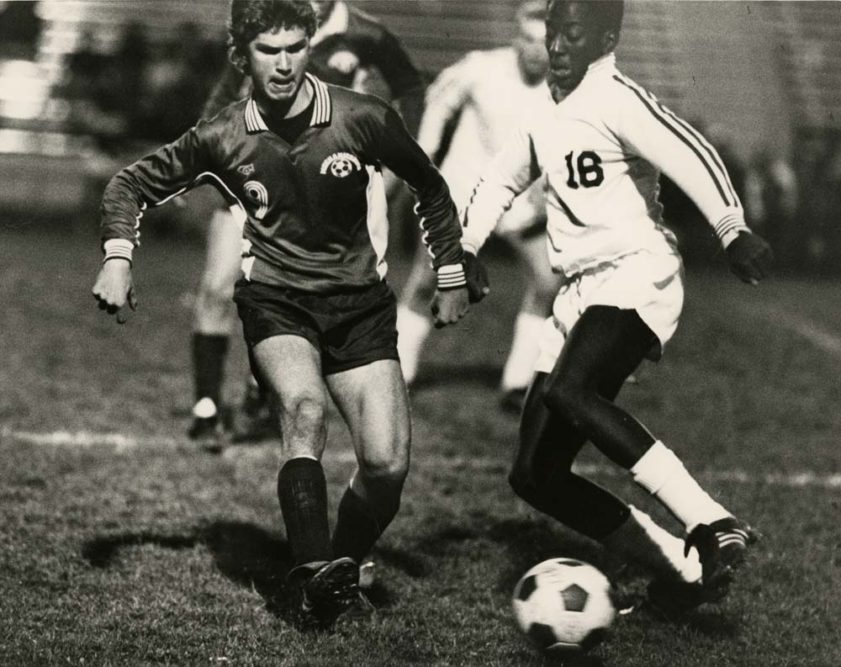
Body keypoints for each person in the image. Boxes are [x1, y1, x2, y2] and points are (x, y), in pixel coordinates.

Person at [92, 0, 484, 628]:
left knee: (386, 467)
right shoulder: (222, 134)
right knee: (303, 410)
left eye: (295, 48)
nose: (283, 64)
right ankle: (308, 573)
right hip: (277, 300)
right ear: (241, 57)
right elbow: (130, 184)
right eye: (268, 51)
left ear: (311, 46)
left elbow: (431, 188)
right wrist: (118, 256)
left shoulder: (362, 118)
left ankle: (339, 571)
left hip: (358, 306)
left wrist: (453, 271)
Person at [461, 0, 773, 612]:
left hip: (637, 272)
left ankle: (710, 523)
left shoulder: (616, 97)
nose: (555, 46)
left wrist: (731, 227)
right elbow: (501, 176)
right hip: (579, 290)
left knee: (572, 392)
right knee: (534, 476)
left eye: (571, 35)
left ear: (606, 38)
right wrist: (468, 245)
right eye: (552, 33)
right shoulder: (546, 109)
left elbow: (690, 151)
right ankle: (680, 566)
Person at [187, 0, 427, 446]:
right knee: (218, 286)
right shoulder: (260, 21)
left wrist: (394, 162)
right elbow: (223, 94)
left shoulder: (366, 34)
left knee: (289, 300)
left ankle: (261, 394)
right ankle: (205, 408)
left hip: (319, 194)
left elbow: (411, 89)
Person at [396, 0, 562, 413]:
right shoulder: (480, 68)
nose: (535, 51)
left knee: (548, 282)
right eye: (528, 40)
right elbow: (437, 103)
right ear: (515, 37)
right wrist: (424, 158)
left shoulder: (564, 89)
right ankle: (397, 374)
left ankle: (519, 382)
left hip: (521, 205)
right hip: (461, 197)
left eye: (545, 43)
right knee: (428, 280)